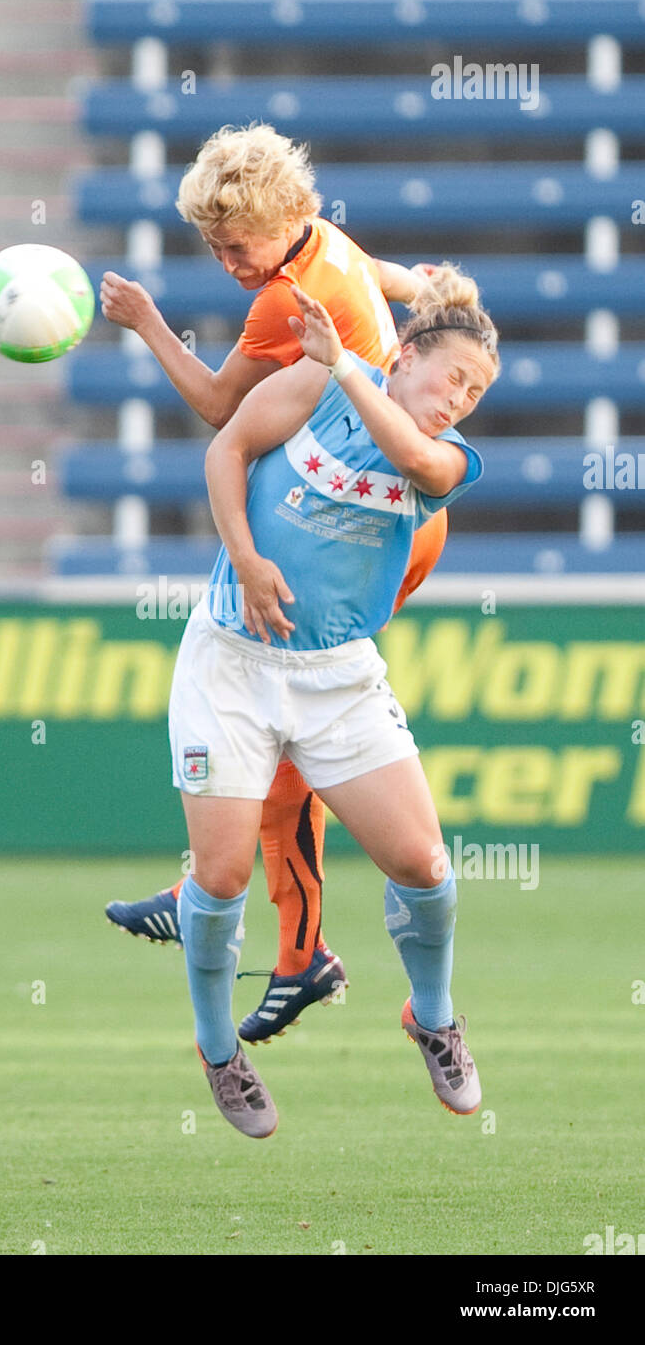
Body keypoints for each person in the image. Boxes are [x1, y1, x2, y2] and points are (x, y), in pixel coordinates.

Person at [101, 123, 449, 1039]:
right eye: (212, 247)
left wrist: (145, 325)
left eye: (235, 244)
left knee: (286, 715)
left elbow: (220, 407)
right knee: (285, 742)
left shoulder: (288, 295)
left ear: (283, 218)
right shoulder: (326, 241)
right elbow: (399, 280)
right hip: (388, 515)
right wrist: (441, 290)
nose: (225, 262)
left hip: (358, 524)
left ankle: (286, 944)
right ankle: (287, 945)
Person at [166, 265, 499, 1136]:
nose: (461, 399)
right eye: (453, 375)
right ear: (411, 353)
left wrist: (351, 364)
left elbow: (418, 460)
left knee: (425, 866)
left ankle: (432, 1015)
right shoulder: (315, 382)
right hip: (231, 662)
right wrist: (242, 556)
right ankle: (216, 1048)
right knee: (222, 875)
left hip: (337, 677)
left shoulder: (446, 457)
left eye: (476, 392)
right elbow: (226, 449)